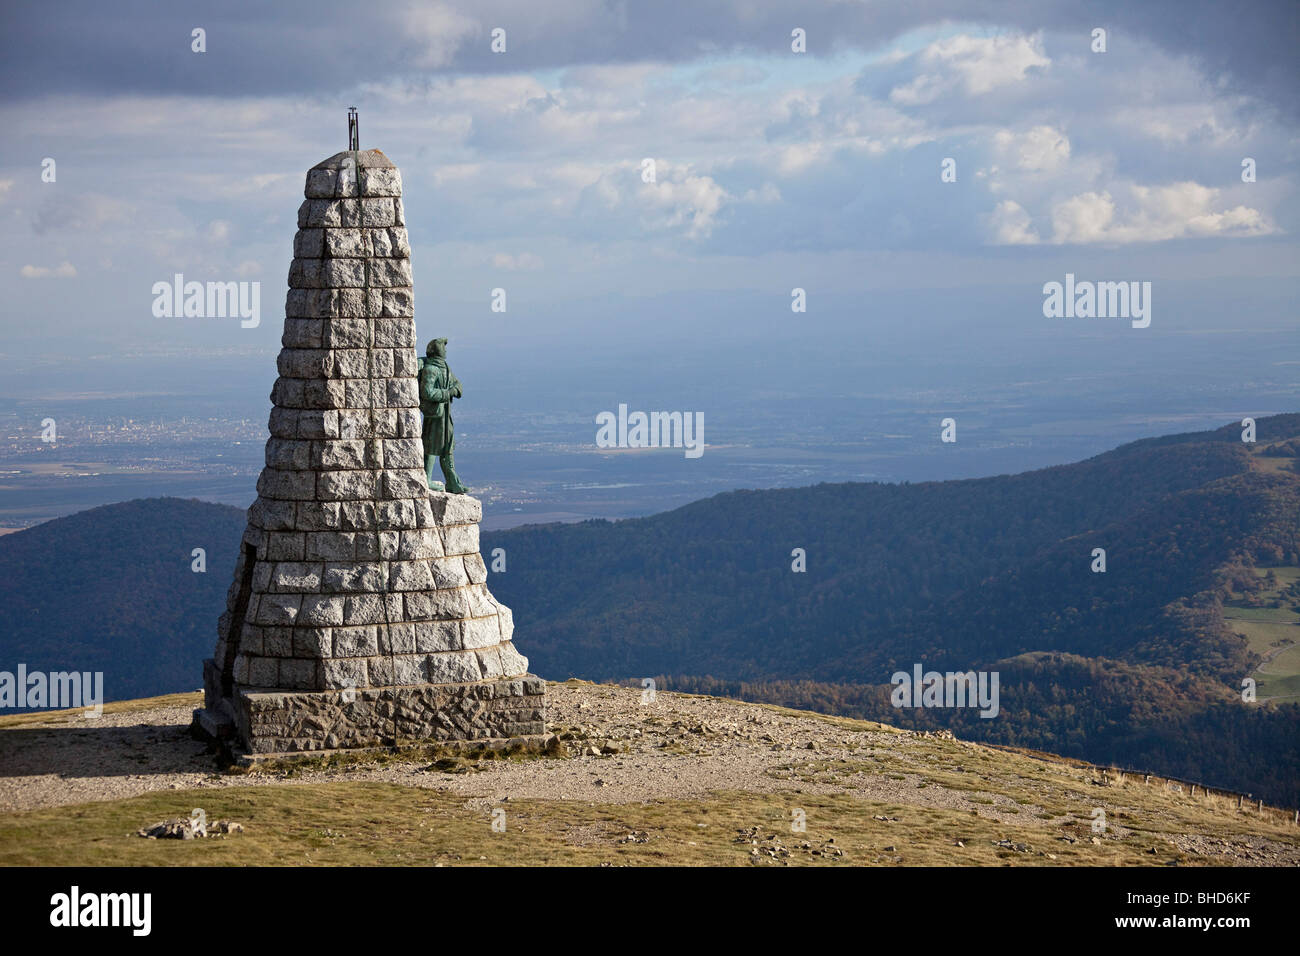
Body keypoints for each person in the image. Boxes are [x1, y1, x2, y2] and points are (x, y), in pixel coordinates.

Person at [416, 337, 468, 494]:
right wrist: (448, 393)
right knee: (432, 445)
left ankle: (452, 480)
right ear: (436, 350)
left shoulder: (444, 367)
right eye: (442, 347)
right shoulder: (431, 369)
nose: (445, 351)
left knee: (447, 444)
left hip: (445, 413)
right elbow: (427, 392)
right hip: (435, 413)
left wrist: (456, 389)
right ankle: (427, 478)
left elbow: (457, 384)